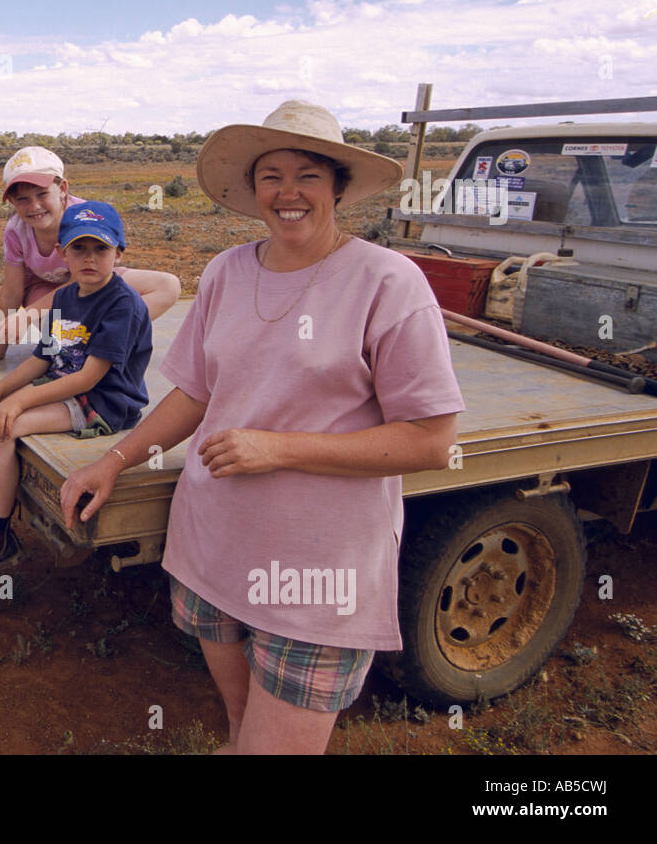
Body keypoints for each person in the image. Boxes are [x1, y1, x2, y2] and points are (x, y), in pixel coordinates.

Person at [60, 100, 465, 754]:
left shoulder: (388, 282)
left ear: (337, 184)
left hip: (317, 572)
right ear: (253, 192)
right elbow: (194, 393)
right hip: (213, 545)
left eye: (307, 173)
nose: (289, 191)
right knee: (241, 727)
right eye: (271, 175)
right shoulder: (225, 272)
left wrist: (278, 448)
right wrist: (115, 459)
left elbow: (430, 438)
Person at [0, 202, 152, 577]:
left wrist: (17, 403)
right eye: (79, 248)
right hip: (64, 386)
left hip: (103, 402)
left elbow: (88, 379)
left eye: (101, 249)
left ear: (120, 253)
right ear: (62, 253)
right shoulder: (65, 298)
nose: (90, 259)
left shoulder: (122, 304)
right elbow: (43, 359)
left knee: (5, 428)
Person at [0, 146, 180, 360]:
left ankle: (111, 339)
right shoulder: (16, 230)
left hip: (92, 281)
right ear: (11, 201)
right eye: (22, 199)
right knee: (49, 325)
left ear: (63, 188)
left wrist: (28, 314)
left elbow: (83, 279)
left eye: (42, 194)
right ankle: (89, 344)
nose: (34, 206)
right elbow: (12, 291)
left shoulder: (86, 217)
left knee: (167, 285)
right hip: (45, 291)